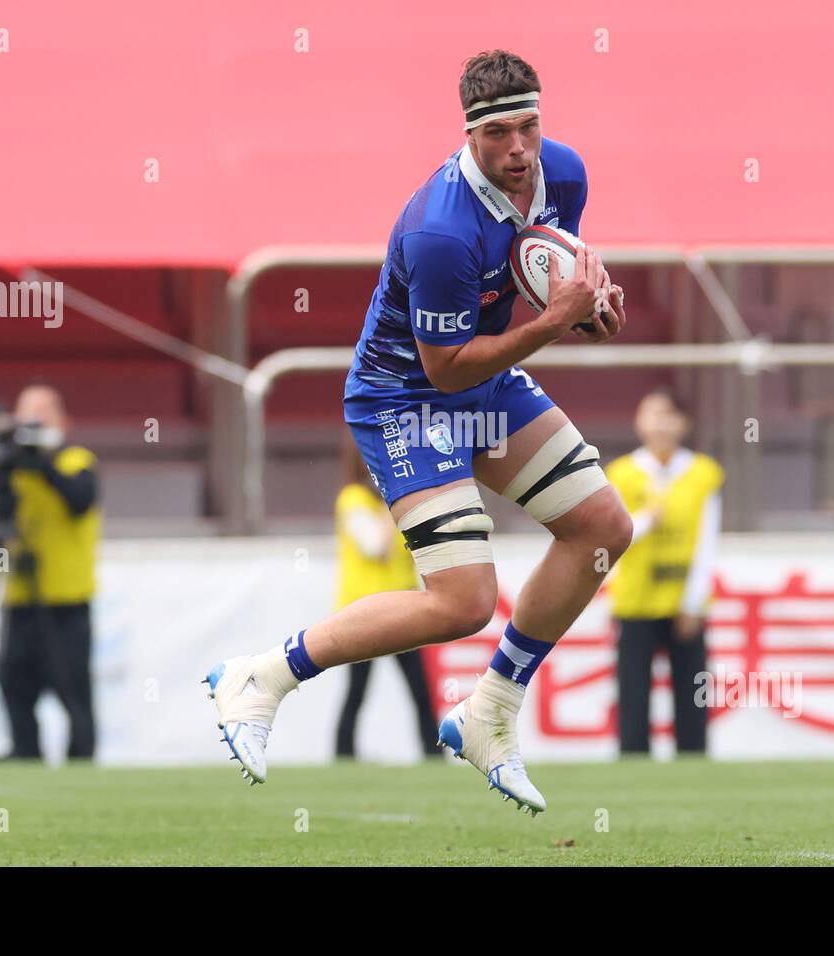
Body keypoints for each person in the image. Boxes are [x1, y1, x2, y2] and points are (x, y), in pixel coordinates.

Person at [205, 50, 631, 816]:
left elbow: (545, 282)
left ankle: (489, 712)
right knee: (464, 601)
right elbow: (448, 372)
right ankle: (262, 676)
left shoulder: (563, 173)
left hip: (485, 377)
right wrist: (552, 323)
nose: (519, 150)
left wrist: (587, 312)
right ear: (468, 134)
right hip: (408, 397)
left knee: (602, 524)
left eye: (529, 127)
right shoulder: (441, 229)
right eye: (498, 133)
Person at [606, 390, 723, 756]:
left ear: (684, 423)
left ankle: (692, 768)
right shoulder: (622, 473)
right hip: (635, 601)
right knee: (633, 694)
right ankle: (634, 766)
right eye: (651, 414)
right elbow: (613, 534)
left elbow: (707, 543)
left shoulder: (703, 474)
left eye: (669, 414)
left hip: (683, 604)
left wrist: (694, 603)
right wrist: (645, 521)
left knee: (692, 695)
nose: (660, 423)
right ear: (638, 422)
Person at [0, 384, 101, 760]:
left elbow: (80, 499)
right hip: (18, 601)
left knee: (74, 693)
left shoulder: (76, 460)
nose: (36, 420)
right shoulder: (9, 472)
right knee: (14, 687)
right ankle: (25, 757)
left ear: (64, 422)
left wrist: (42, 464)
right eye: (28, 412)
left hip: (66, 603)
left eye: (45, 412)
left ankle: (81, 764)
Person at [333, 438, 441, 759]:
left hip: (403, 607)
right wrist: (387, 506)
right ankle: (344, 754)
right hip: (363, 611)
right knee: (357, 691)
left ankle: (433, 754)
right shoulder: (352, 499)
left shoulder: (400, 503)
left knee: (419, 690)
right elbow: (374, 548)